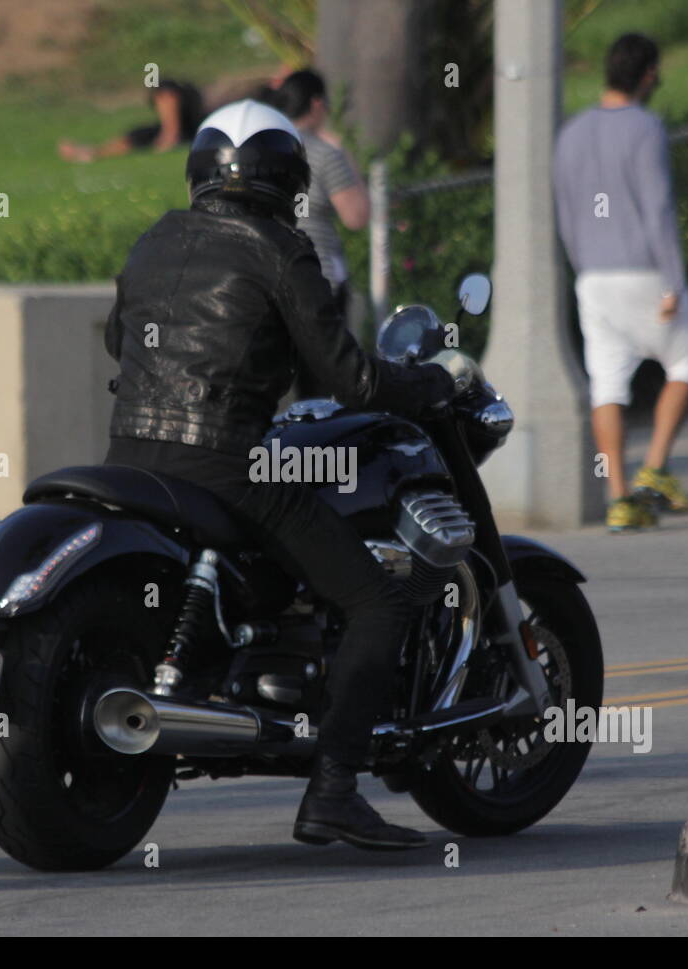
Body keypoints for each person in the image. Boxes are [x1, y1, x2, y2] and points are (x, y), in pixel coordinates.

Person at [101, 99, 458, 850]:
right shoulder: (280, 248)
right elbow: (351, 379)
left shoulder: (155, 239)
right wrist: (428, 386)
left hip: (132, 461)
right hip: (226, 465)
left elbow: (117, 339)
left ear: (199, 170)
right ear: (289, 180)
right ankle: (334, 792)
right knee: (378, 603)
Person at [553, 33, 688, 533]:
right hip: (644, 267)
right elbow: (658, 208)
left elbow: (566, 212)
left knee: (607, 382)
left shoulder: (570, 132)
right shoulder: (646, 128)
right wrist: (674, 281)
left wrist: (582, 268)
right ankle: (656, 467)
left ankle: (619, 498)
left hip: (593, 276)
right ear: (647, 75)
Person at [267, 69, 370, 397]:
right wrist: (344, 153)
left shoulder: (265, 148)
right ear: (316, 104)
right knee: (323, 387)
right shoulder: (325, 154)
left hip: (267, 273)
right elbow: (356, 216)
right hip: (320, 276)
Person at [59, 79, 203, 163]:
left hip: (185, 129)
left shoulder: (201, 127)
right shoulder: (147, 133)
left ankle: (91, 152)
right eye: (161, 102)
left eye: (169, 101)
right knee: (137, 136)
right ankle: (91, 152)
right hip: (163, 134)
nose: (165, 107)